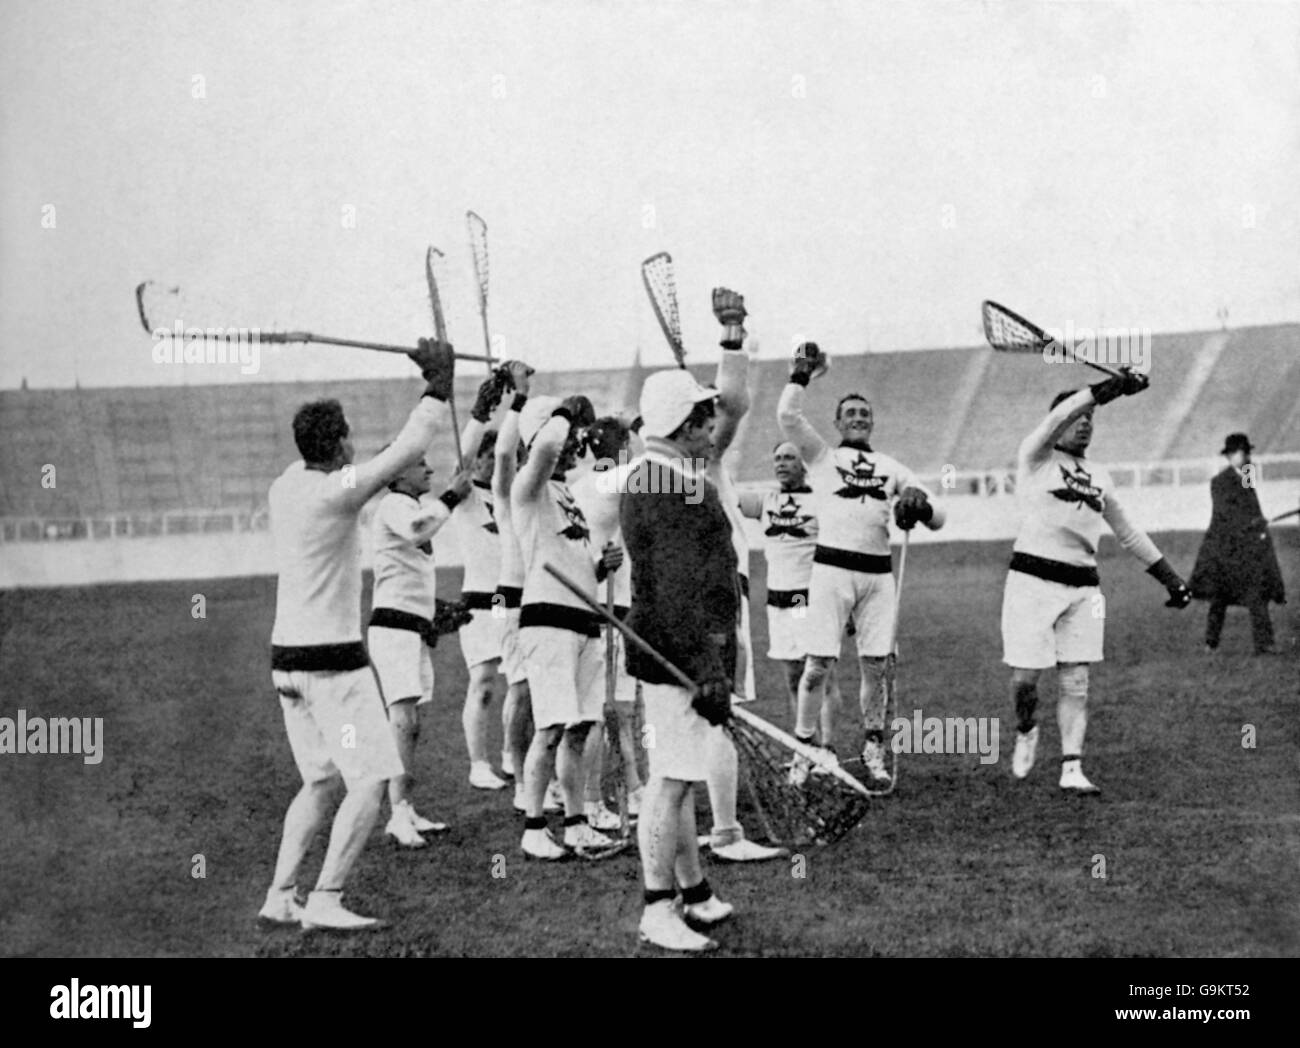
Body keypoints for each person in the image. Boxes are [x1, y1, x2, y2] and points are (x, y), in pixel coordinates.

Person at [259, 338, 454, 931]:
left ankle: (279, 895)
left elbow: (381, 460)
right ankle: (325, 898)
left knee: (320, 781)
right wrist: (436, 384)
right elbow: (408, 449)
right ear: (337, 442)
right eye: (346, 433)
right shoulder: (335, 493)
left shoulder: (285, 485)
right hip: (329, 665)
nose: (352, 442)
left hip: (285, 663)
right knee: (370, 779)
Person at [1003, 374, 1191, 794]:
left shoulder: (1101, 476)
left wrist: (1171, 579)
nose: (1086, 422)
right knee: (1025, 680)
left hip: (1084, 586)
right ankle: (1026, 727)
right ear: (1058, 422)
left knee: (1076, 679)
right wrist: (1109, 388)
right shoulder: (1035, 457)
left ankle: (1072, 766)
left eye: (1091, 418)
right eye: (1079, 416)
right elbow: (1065, 411)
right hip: (1031, 582)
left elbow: (1129, 532)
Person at [777, 342, 946, 788]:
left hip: (877, 575)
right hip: (831, 571)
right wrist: (800, 375)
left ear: (872, 422)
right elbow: (788, 418)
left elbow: (939, 515)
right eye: (849, 413)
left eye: (863, 414)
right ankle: (805, 749)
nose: (857, 418)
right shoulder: (822, 457)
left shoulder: (890, 466)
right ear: (836, 422)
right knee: (817, 666)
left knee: (876, 665)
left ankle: (874, 747)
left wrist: (921, 506)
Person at [622, 367, 738, 951]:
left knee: (683, 774)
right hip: (677, 657)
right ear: (682, 425)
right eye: (702, 417)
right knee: (670, 780)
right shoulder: (662, 485)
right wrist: (708, 667)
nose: (712, 426)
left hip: (679, 652)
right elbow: (677, 589)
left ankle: (693, 892)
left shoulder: (668, 476)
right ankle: (655, 906)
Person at [512, 393, 624, 860]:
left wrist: (601, 567)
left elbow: (570, 558)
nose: (577, 441)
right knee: (552, 726)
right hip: (547, 621)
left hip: (584, 618)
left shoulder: (569, 491)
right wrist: (561, 412)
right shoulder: (528, 487)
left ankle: (576, 822)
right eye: (570, 433)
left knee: (581, 726)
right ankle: (535, 827)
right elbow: (544, 446)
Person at [367, 448, 471, 847]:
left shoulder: (412, 504)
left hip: (411, 627)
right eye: (419, 464)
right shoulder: (394, 505)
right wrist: (452, 496)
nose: (429, 468)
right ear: (397, 474)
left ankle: (405, 808)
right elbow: (418, 529)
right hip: (393, 628)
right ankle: (396, 814)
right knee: (403, 721)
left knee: (411, 725)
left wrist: (435, 613)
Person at [738, 441, 844, 740]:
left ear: (803, 465)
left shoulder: (821, 502)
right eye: (778, 459)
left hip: (804, 599)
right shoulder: (766, 500)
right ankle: (806, 748)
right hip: (776, 602)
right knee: (793, 678)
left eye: (789, 458)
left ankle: (828, 748)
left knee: (820, 675)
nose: (781, 463)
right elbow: (722, 497)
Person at [570, 415, 646, 829]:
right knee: (603, 710)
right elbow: (669, 473)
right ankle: (593, 799)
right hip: (605, 605)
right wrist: (645, 428)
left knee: (621, 708)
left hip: (607, 603)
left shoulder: (585, 483)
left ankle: (633, 789)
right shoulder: (607, 480)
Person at [450, 384, 510, 790]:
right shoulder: (467, 495)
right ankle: (478, 763)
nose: (487, 464)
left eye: (495, 457)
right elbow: (461, 460)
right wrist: (482, 414)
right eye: (483, 457)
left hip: (512, 601)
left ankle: (512, 755)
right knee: (484, 683)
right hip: (478, 602)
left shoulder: (509, 495)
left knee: (521, 686)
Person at [490, 362, 538, 814]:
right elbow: (504, 455)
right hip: (511, 595)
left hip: (544, 599)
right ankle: (519, 775)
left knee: (545, 696)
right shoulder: (507, 493)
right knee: (521, 689)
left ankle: (541, 779)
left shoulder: (545, 492)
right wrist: (519, 399)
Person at [1189, 434, 1286, 655]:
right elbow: (1226, 514)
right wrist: (1250, 523)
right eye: (1244, 453)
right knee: (1219, 599)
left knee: (1256, 595)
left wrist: (1258, 522)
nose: (1248, 457)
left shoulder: (1247, 474)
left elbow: (1252, 505)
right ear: (1232, 456)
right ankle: (1211, 643)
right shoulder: (1220, 482)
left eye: (1248, 453)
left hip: (1247, 547)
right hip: (1224, 549)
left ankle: (1265, 644)